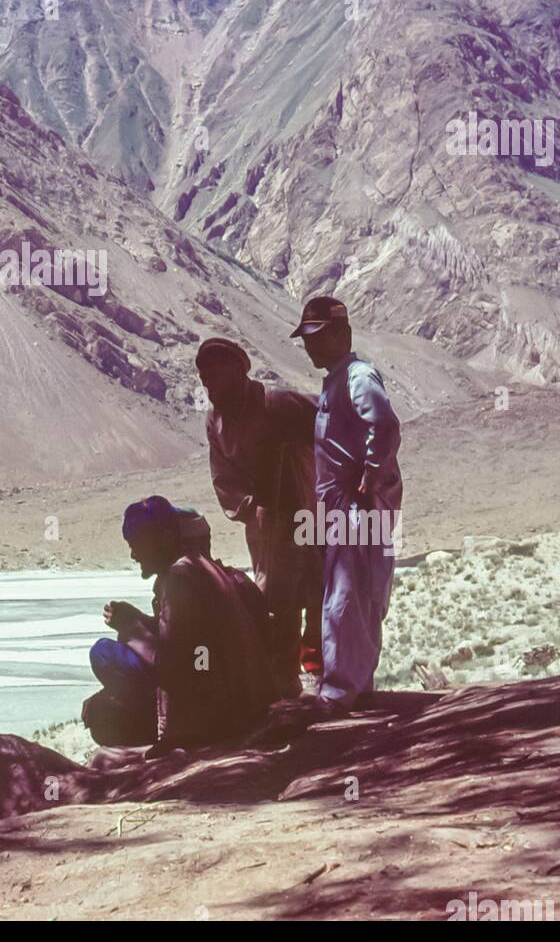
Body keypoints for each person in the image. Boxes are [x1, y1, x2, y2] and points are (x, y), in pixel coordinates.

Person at [82, 496, 276, 752]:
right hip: (241, 706)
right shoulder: (205, 570)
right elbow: (186, 642)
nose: (133, 555)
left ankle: (180, 734)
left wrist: (130, 628)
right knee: (105, 702)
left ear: (164, 538)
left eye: (137, 543)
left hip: (216, 719)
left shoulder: (180, 578)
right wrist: (138, 621)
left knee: (103, 664)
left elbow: (172, 664)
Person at [290, 296, 402, 711]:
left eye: (318, 336)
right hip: (345, 506)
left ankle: (338, 692)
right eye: (306, 338)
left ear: (344, 334)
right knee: (358, 593)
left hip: (358, 506)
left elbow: (385, 425)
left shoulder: (358, 376)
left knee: (345, 596)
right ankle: (359, 685)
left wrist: (371, 473)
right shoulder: (337, 379)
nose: (310, 346)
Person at [197, 336, 321, 698]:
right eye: (204, 381)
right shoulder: (215, 422)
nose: (209, 388)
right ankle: (284, 683)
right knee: (275, 602)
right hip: (265, 526)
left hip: (309, 514)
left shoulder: (277, 403)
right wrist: (251, 509)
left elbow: (331, 427)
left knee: (319, 592)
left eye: (215, 377)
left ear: (238, 371)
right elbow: (222, 474)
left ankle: (321, 674)